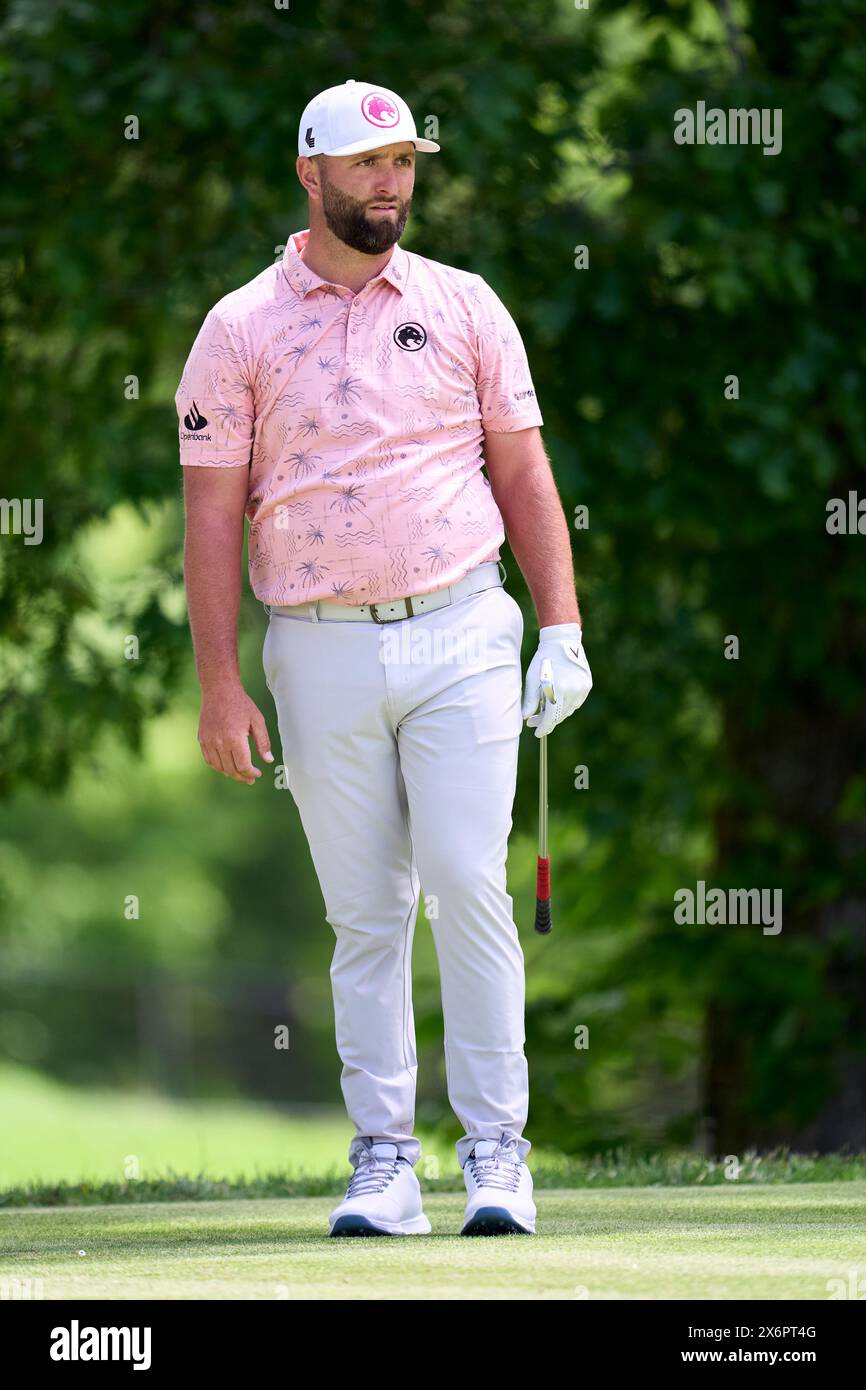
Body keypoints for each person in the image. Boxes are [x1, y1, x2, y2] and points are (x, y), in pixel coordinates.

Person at [176, 79, 592, 1237]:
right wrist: (220, 682)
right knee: (365, 915)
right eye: (367, 165)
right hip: (314, 644)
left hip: (463, 626)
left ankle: (497, 1149)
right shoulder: (238, 327)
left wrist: (558, 626)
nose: (390, 183)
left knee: (467, 881)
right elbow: (211, 516)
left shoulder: (463, 305)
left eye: (403, 163)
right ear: (310, 174)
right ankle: (384, 1161)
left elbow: (521, 473)